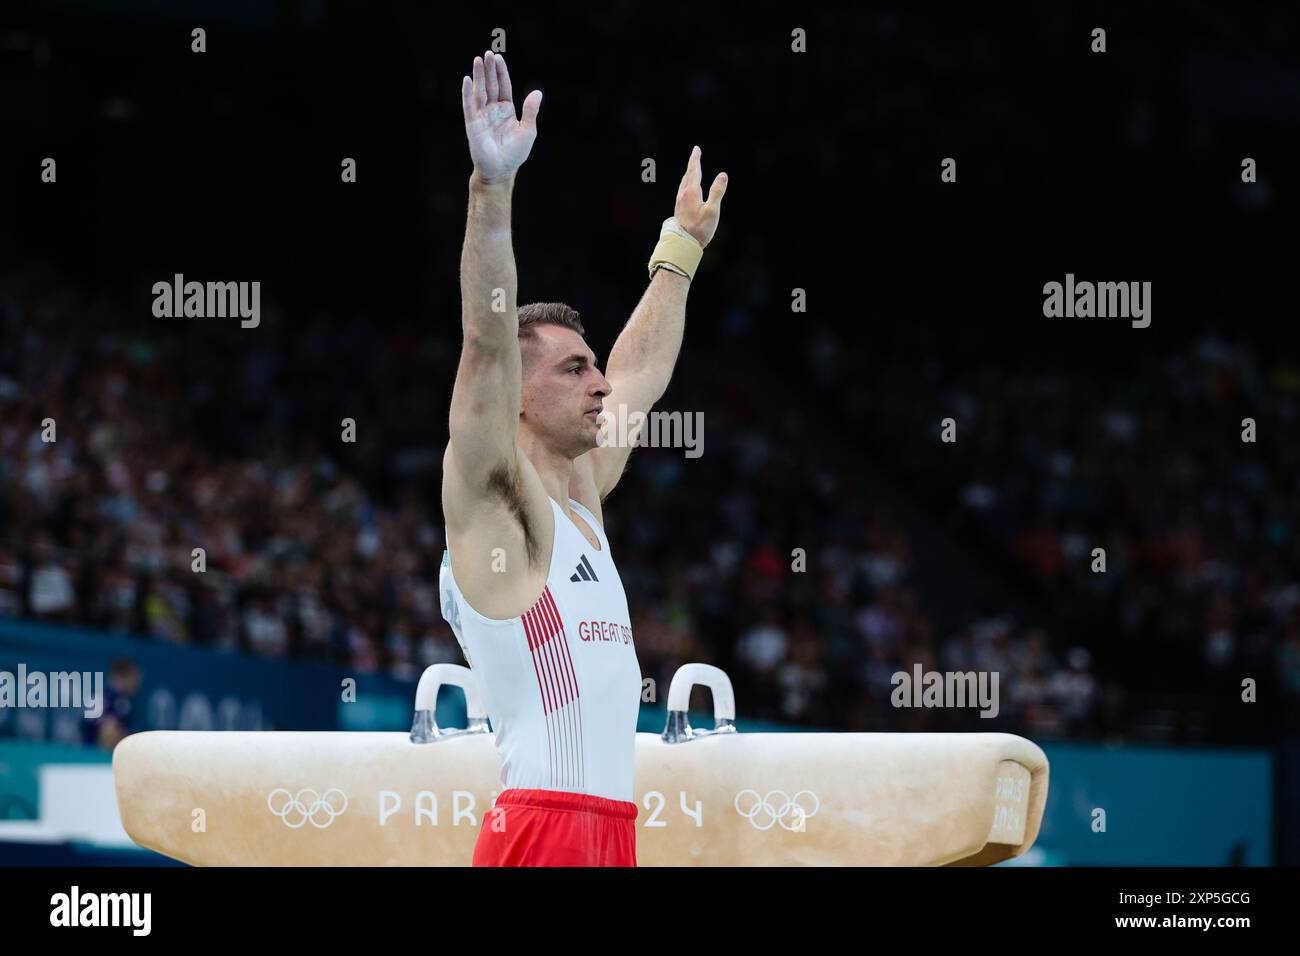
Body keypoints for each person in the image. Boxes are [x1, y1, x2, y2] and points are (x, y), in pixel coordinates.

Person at [437, 50, 727, 866]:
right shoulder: (501, 502)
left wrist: (678, 251)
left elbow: (640, 373)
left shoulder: (581, 489)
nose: (601, 383)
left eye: (592, 365)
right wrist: (491, 191)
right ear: (519, 398)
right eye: (575, 368)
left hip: (609, 829)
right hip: (543, 825)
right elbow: (486, 346)